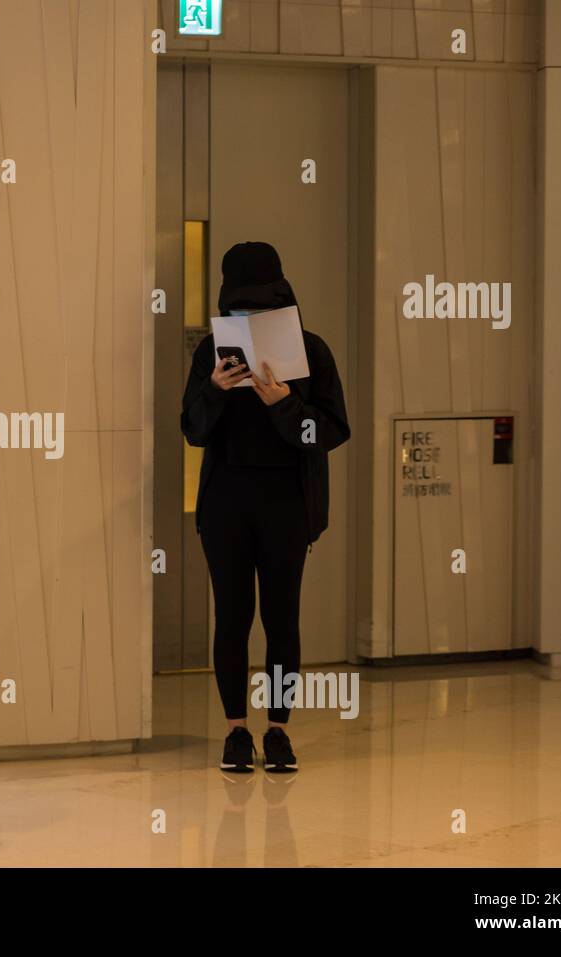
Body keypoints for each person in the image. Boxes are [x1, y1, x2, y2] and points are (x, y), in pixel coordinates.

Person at [181, 242, 350, 775]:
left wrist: (284, 404)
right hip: (226, 502)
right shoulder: (212, 350)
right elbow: (192, 430)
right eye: (238, 312)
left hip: (287, 502)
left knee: (282, 619)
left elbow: (330, 431)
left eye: (261, 311)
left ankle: (279, 730)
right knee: (231, 617)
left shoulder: (313, 351)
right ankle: (235, 731)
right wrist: (214, 389)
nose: (247, 321)